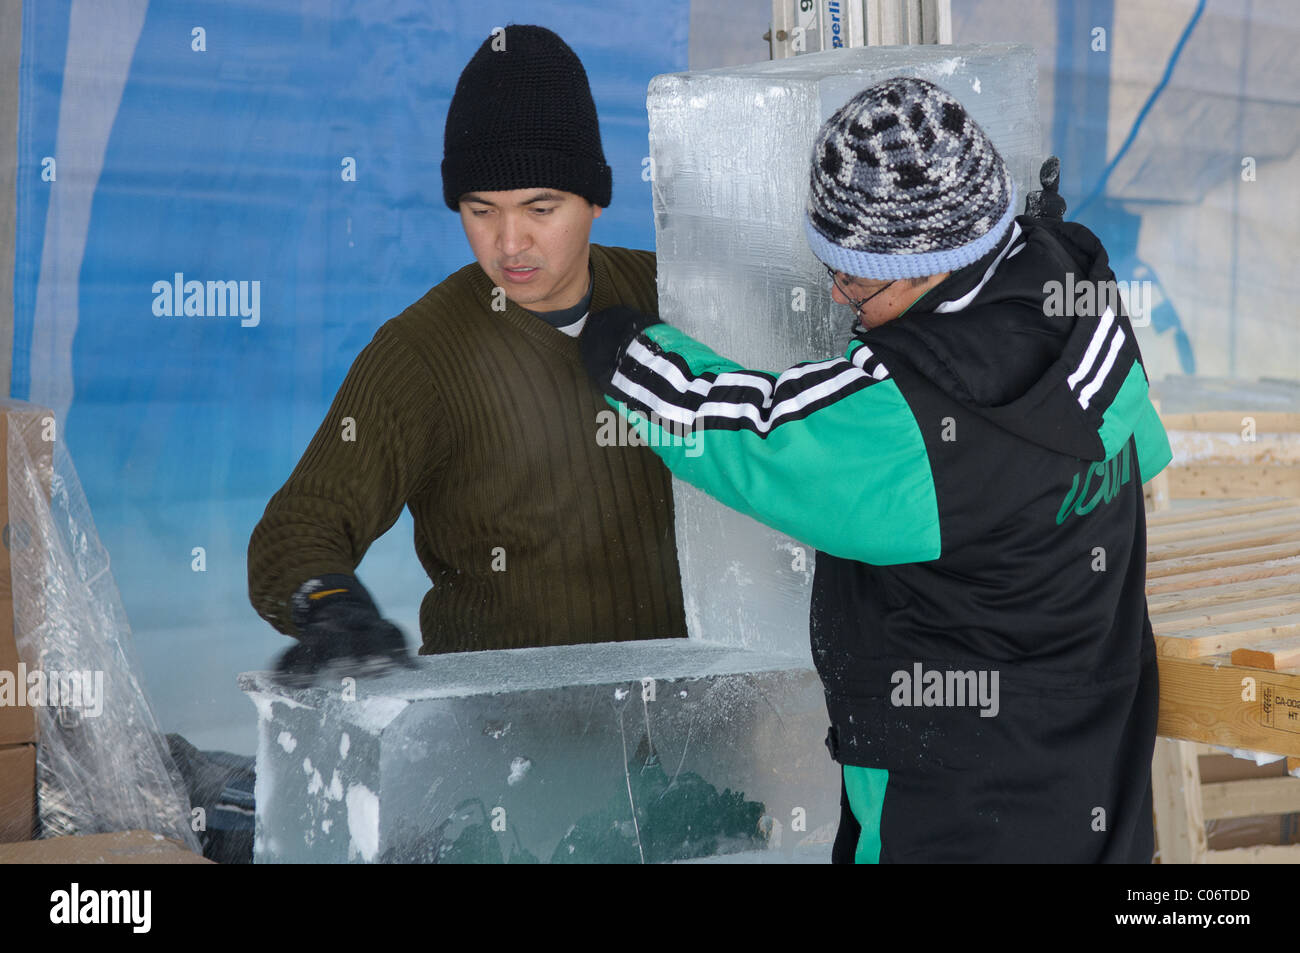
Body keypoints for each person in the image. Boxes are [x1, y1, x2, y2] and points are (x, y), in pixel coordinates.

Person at [580, 77, 1171, 863]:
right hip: (1101, 767)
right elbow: (1145, 448)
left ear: (935, 264)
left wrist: (619, 346)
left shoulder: (913, 420)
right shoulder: (1079, 291)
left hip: (958, 803)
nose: (835, 291)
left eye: (855, 276)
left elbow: (746, 430)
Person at [248, 25, 686, 681]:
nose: (511, 243)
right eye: (482, 211)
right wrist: (331, 606)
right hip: (502, 747)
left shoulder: (676, 295)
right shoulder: (422, 353)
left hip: (696, 727)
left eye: (541, 207)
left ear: (595, 198)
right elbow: (298, 527)